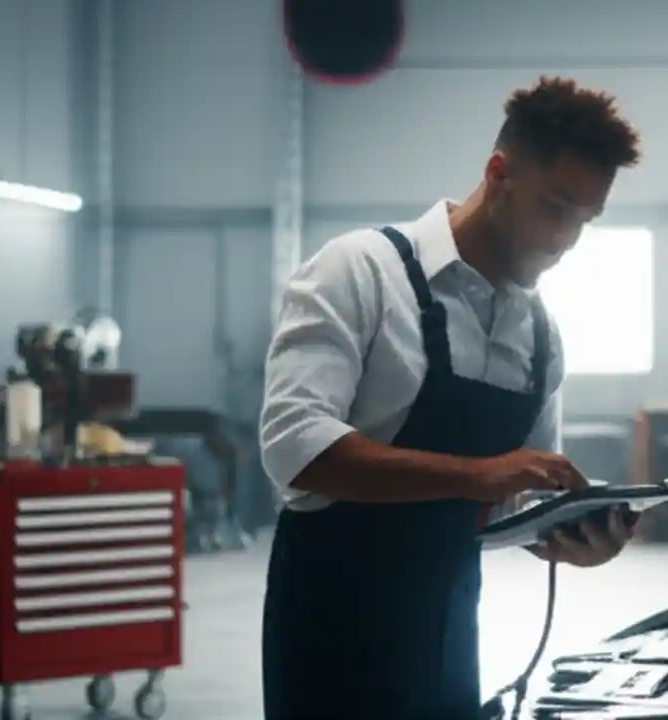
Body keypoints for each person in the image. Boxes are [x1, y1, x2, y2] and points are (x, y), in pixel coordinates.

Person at [258, 76, 643, 719]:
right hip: (330, 630)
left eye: (586, 221)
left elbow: (512, 500)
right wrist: (477, 476)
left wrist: (571, 535)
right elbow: (296, 449)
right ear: (499, 175)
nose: (566, 240)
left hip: (449, 636)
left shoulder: (540, 335)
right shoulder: (361, 272)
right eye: (555, 208)